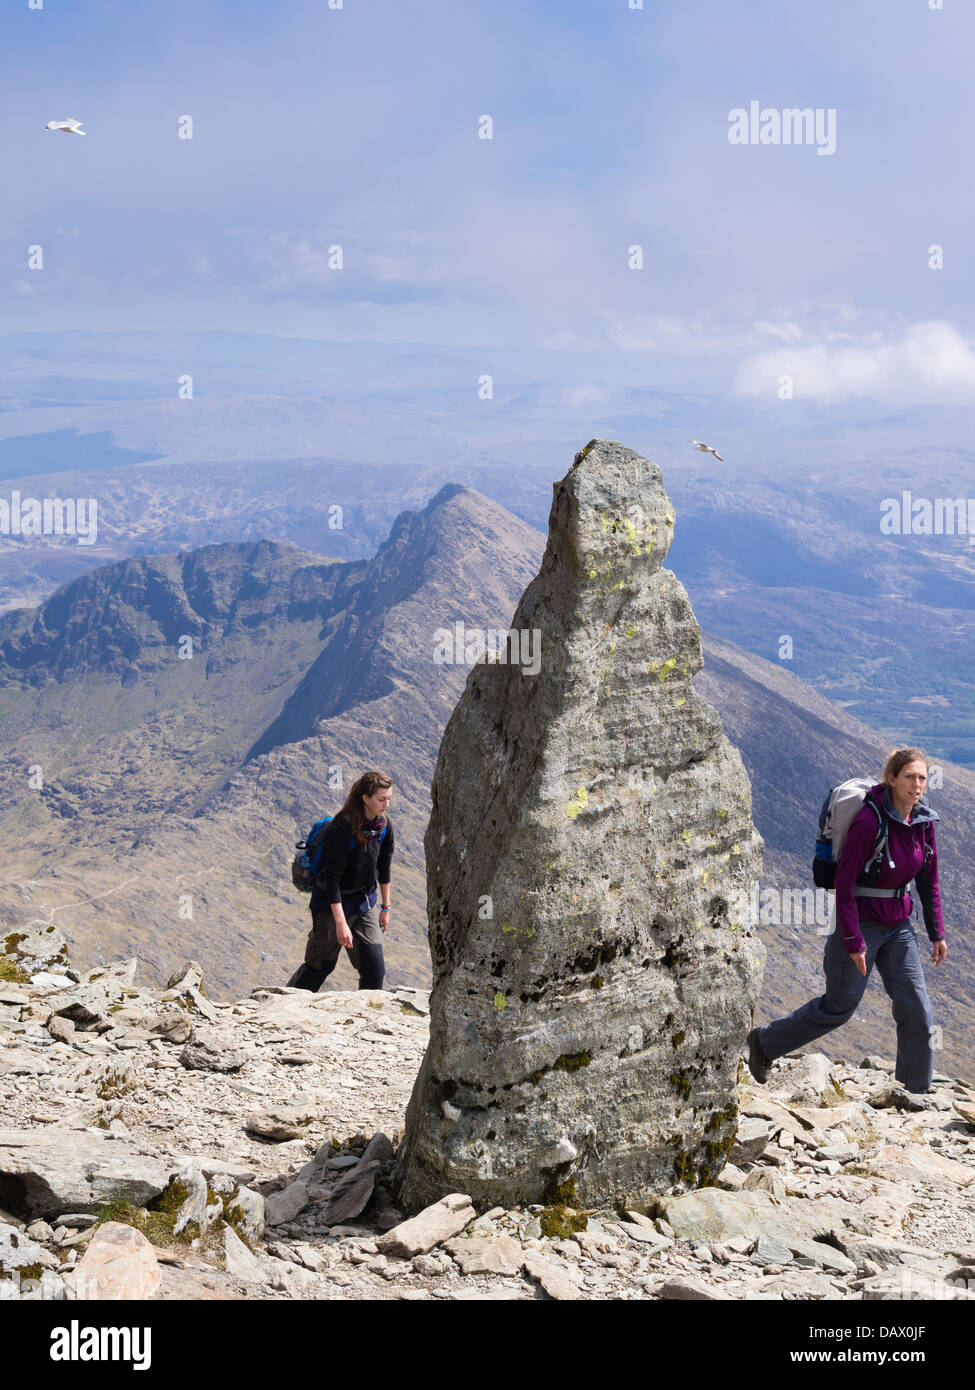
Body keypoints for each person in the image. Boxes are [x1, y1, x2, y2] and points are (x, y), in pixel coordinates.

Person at [747, 748, 947, 1095]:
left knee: (916, 1006)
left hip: (899, 926)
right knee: (839, 1007)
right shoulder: (870, 822)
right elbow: (844, 884)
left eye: (923, 778)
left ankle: (913, 1091)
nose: (917, 785)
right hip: (860, 924)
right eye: (910, 777)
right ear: (892, 780)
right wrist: (854, 940)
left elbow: (929, 881)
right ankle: (765, 1042)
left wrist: (936, 932)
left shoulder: (923, 823)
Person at [288, 770, 395, 992]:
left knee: (374, 971)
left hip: (364, 902)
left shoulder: (383, 826)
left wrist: (385, 907)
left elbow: (384, 868)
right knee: (319, 967)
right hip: (331, 904)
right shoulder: (343, 827)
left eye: (389, 799)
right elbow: (331, 879)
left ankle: (368, 1019)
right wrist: (340, 923)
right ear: (365, 798)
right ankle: (282, 1003)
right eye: (381, 799)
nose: (386, 804)